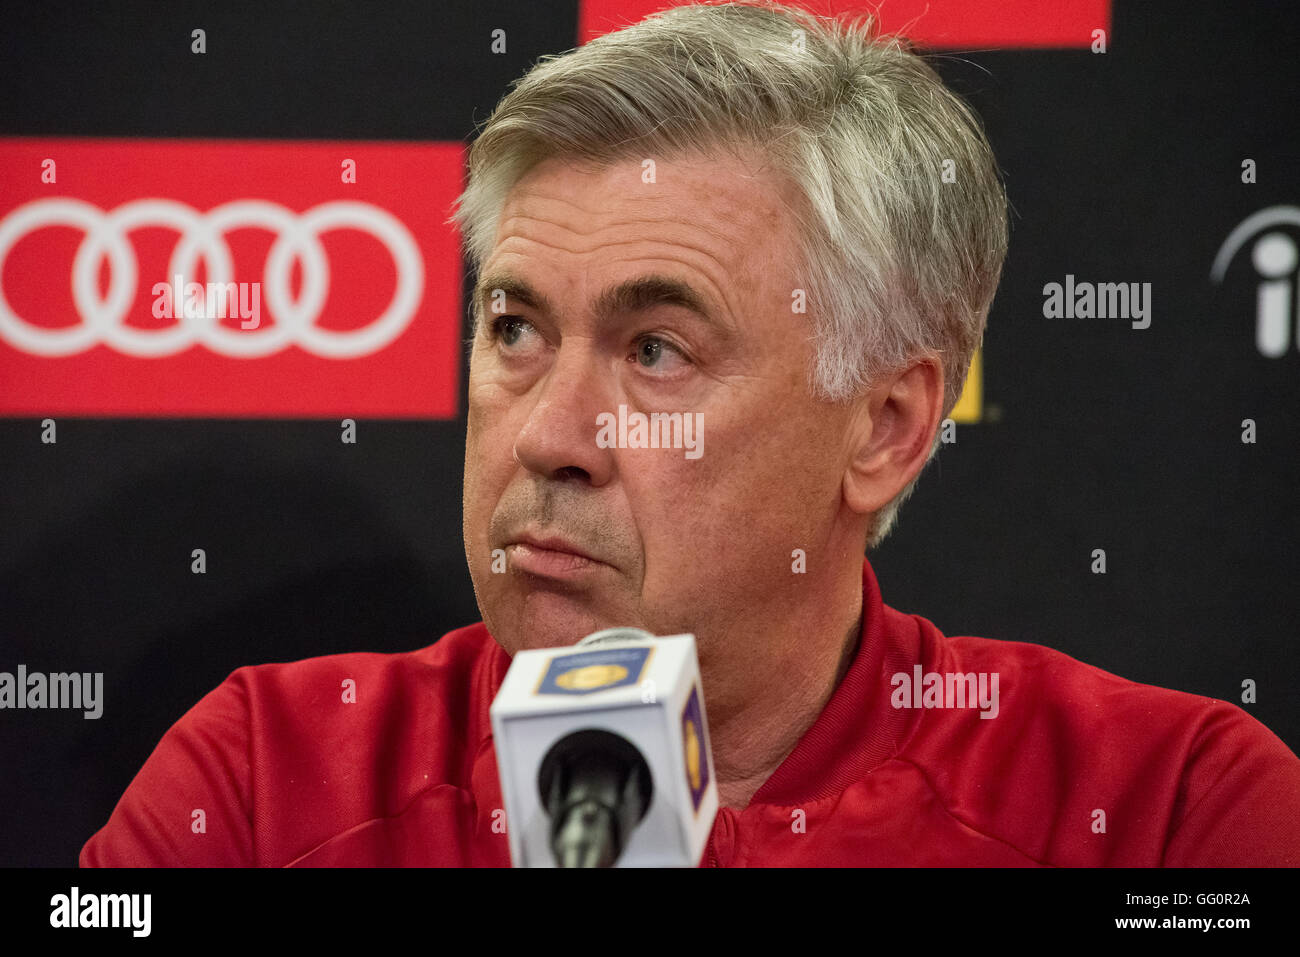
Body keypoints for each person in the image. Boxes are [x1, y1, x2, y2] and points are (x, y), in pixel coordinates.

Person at [81, 0, 1300, 867]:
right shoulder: (261, 784)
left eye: (655, 350)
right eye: (515, 329)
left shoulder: (1170, 812)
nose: (549, 436)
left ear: (884, 426)